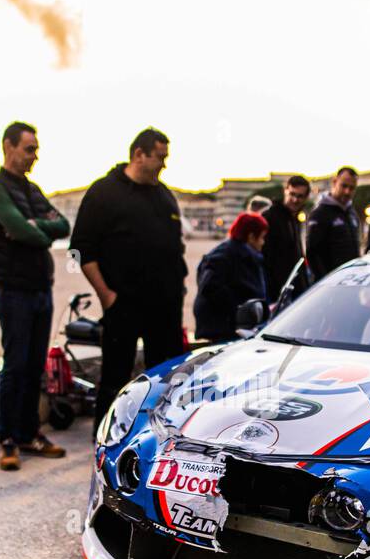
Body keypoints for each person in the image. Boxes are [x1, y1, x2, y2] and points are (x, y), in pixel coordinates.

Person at [70, 127, 189, 432]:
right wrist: (106, 295)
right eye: (160, 157)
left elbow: (174, 246)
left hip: (165, 307)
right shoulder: (104, 192)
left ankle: (158, 440)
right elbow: (79, 251)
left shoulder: (163, 195)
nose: (164, 164)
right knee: (115, 379)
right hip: (123, 306)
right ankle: (106, 439)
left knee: (165, 380)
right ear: (139, 154)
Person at [0, 120, 69, 471]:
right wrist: (31, 229)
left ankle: (30, 433)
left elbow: (62, 225)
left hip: (40, 289)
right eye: (29, 149)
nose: (35, 156)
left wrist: (35, 229)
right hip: (13, 289)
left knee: (34, 367)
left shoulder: (32, 190)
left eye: (36, 149)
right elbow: (17, 228)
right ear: (8, 147)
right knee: (14, 366)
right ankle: (8, 440)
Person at [193, 212, 267, 343]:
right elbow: (210, 286)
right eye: (262, 237)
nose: (263, 242)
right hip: (223, 326)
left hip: (229, 324)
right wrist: (240, 309)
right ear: (251, 237)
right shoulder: (225, 255)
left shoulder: (237, 253)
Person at [260, 174, 309, 303]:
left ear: (306, 198)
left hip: (292, 291)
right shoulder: (269, 217)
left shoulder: (294, 219)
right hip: (275, 293)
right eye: (292, 194)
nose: (295, 199)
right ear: (285, 191)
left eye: (300, 196)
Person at [306, 166, 360, 280]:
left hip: (351, 279)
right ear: (334, 182)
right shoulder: (320, 213)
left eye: (352, 188)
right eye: (344, 186)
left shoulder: (352, 213)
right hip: (331, 284)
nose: (347, 191)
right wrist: (326, 280)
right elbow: (313, 253)